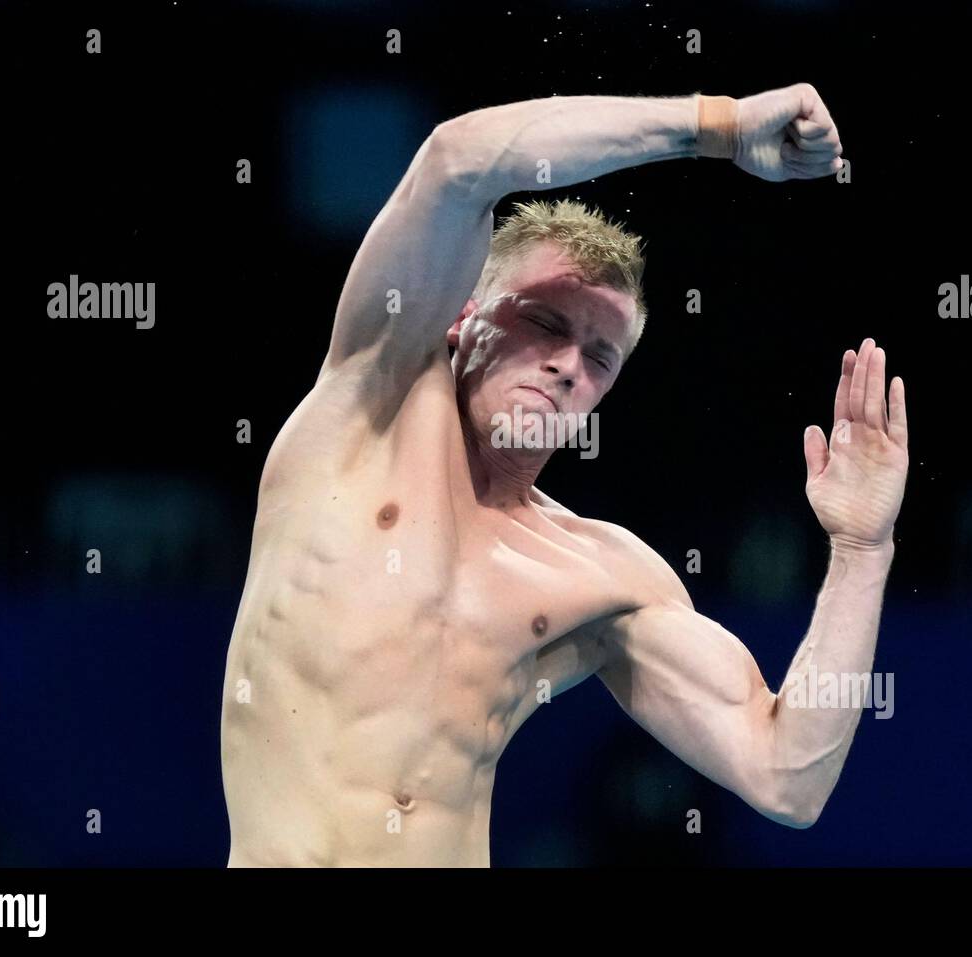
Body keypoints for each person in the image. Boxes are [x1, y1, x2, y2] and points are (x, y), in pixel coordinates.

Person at [220, 86, 909, 866]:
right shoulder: (364, 408)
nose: (566, 365)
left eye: (600, 355)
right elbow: (457, 159)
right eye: (544, 322)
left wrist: (861, 549)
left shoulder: (601, 575)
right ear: (460, 316)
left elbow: (788, 778)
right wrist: (717, 127)